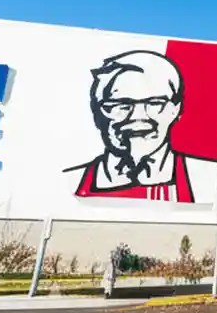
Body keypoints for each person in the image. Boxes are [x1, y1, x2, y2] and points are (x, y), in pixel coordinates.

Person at [66, 50, 208, 203]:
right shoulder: (69, 183)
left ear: (176, 110)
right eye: (121, 105)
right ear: (97, 113)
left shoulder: (208, 180)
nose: (138, 117)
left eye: (154, 104)